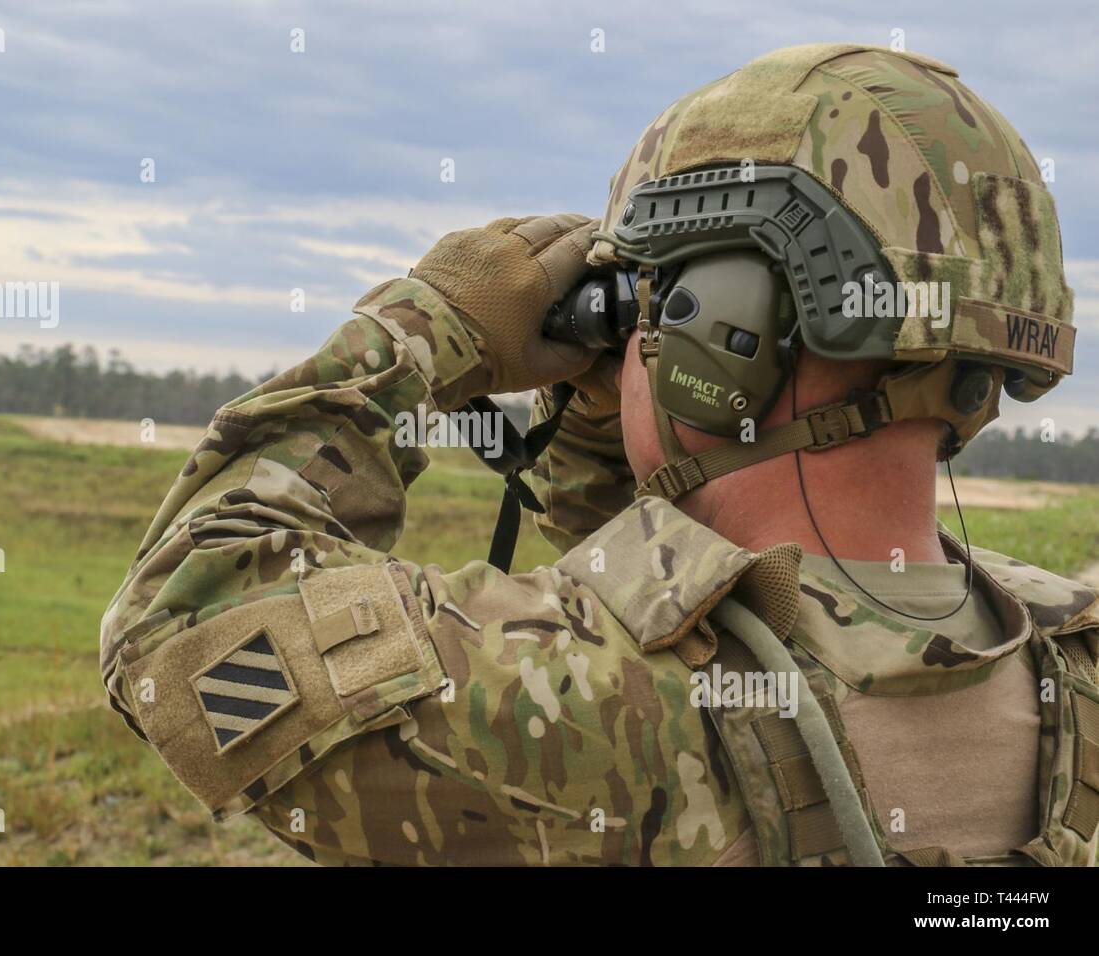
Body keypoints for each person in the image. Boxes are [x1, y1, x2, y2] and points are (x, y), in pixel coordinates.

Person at [99, 43, 1098, 866]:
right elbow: (671, 594)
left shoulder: (578, 706)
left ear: (726, 338)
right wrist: (599, 432)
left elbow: (176, 626)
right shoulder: (1072, 665)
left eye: (654, 302)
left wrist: (425, 326)